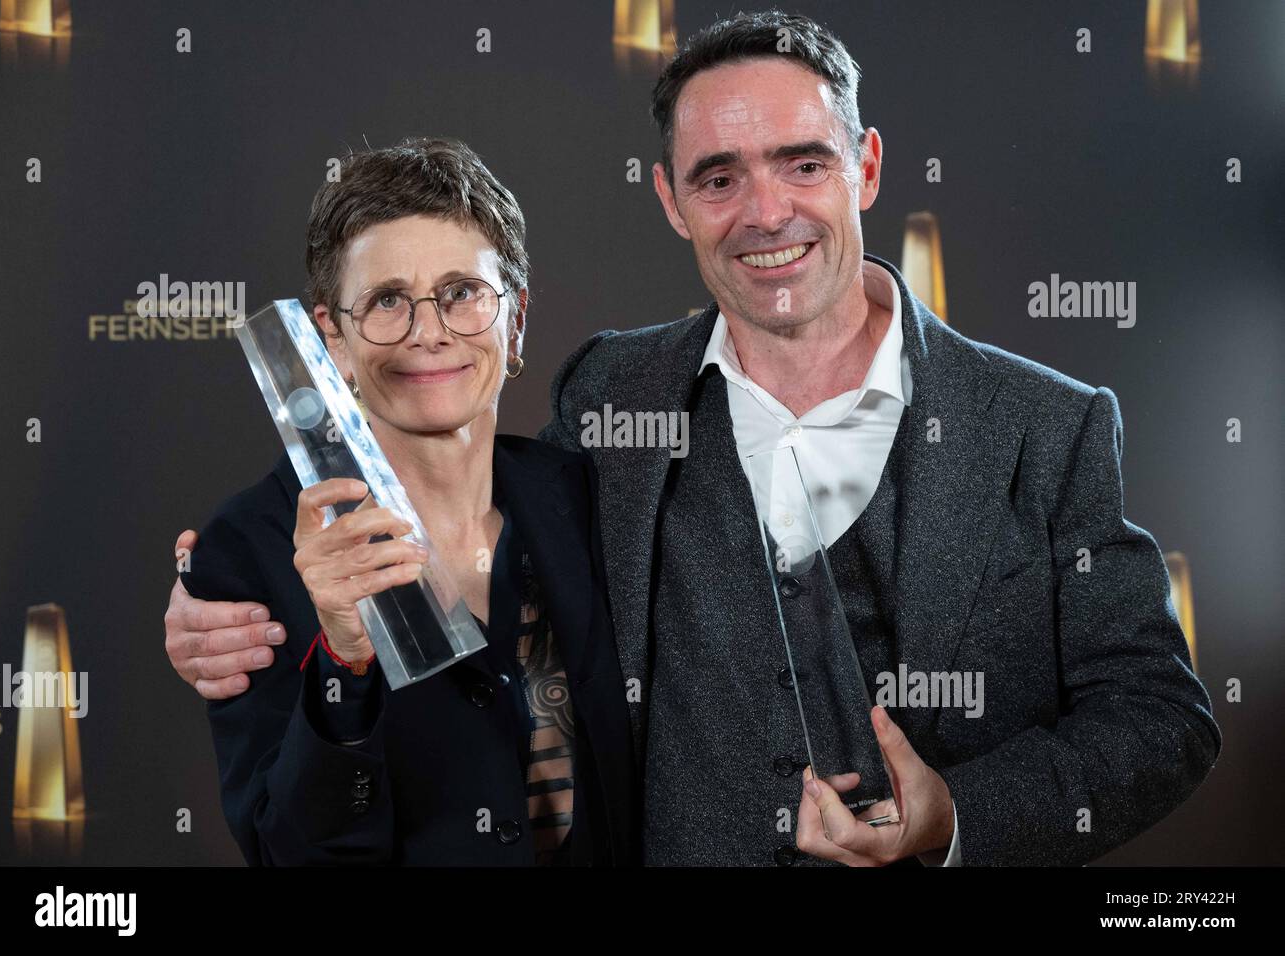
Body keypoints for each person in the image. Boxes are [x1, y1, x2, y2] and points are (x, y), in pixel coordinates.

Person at [166, 11, 1220, 867]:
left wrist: (956, 816)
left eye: (802, 164)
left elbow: (1159, 716)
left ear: (867, 166)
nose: (764, 211)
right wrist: (234, 608)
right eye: (719, 177)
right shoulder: (615, 395)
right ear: (671, 200)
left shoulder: (1045, 422)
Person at [175, 137, 636, 865]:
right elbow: (291, 853)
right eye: (388, 301)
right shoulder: (248, 552)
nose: (429, 333)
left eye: (462, 294)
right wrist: (344, 659)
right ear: (332, 341)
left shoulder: (589, 499)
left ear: (514, 321)